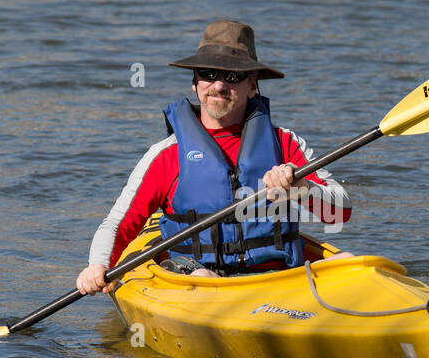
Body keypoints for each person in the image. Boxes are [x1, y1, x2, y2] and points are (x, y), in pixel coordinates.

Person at [76, 20, 352, 295]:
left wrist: (302, 190)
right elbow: (119, 224)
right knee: (203, 275)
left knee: (348, 263)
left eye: (232, 75)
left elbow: (340, 211)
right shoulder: (166, 154)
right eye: (208, 73)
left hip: (275, 278)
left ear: (253, 85)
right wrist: (98, 265)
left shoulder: (286, 144)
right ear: (195, 84)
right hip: (195, 276)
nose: (218, 85)